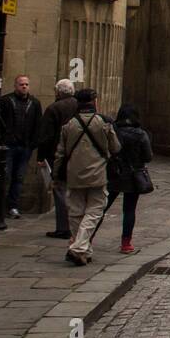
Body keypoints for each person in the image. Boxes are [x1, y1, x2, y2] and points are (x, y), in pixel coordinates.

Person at [55, 88, 120, 266]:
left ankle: (84, 251)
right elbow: (115, 148)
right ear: (94, 102)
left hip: (74, 174)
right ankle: (79, 247)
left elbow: (60, 153)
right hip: (97, 174)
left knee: (76, 212)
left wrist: (56, 175)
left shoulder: (69, 124)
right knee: (95, 211)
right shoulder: (104, 122)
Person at [98, 105, 153, 255]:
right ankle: (126, 243)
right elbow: (148, 156)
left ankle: (87, 238)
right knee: (129, 209)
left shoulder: (113, 130)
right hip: (133, 175)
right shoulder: (141, 134)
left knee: (101, 207)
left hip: (114, 173)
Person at [37, 79, 79, 239]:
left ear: (57, 92)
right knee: (75, 193)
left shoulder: (54, 108)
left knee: (60, 190)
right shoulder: (78, 106)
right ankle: (76, 226)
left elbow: (46, 136)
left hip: (58, 156)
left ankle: (63, 227)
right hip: (78, 155)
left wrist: (41, 156)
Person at [0, 75, 41, 219]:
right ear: (15, 86)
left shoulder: (34, 103)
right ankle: (0, 205)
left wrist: (33, 143)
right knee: (5, 176)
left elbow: (37, 124)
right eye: (21, 84)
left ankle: (13, 206)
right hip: (9, 145)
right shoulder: (6, 101)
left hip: (25, 146)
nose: (24, 87)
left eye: (26, 84)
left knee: (19, 177)